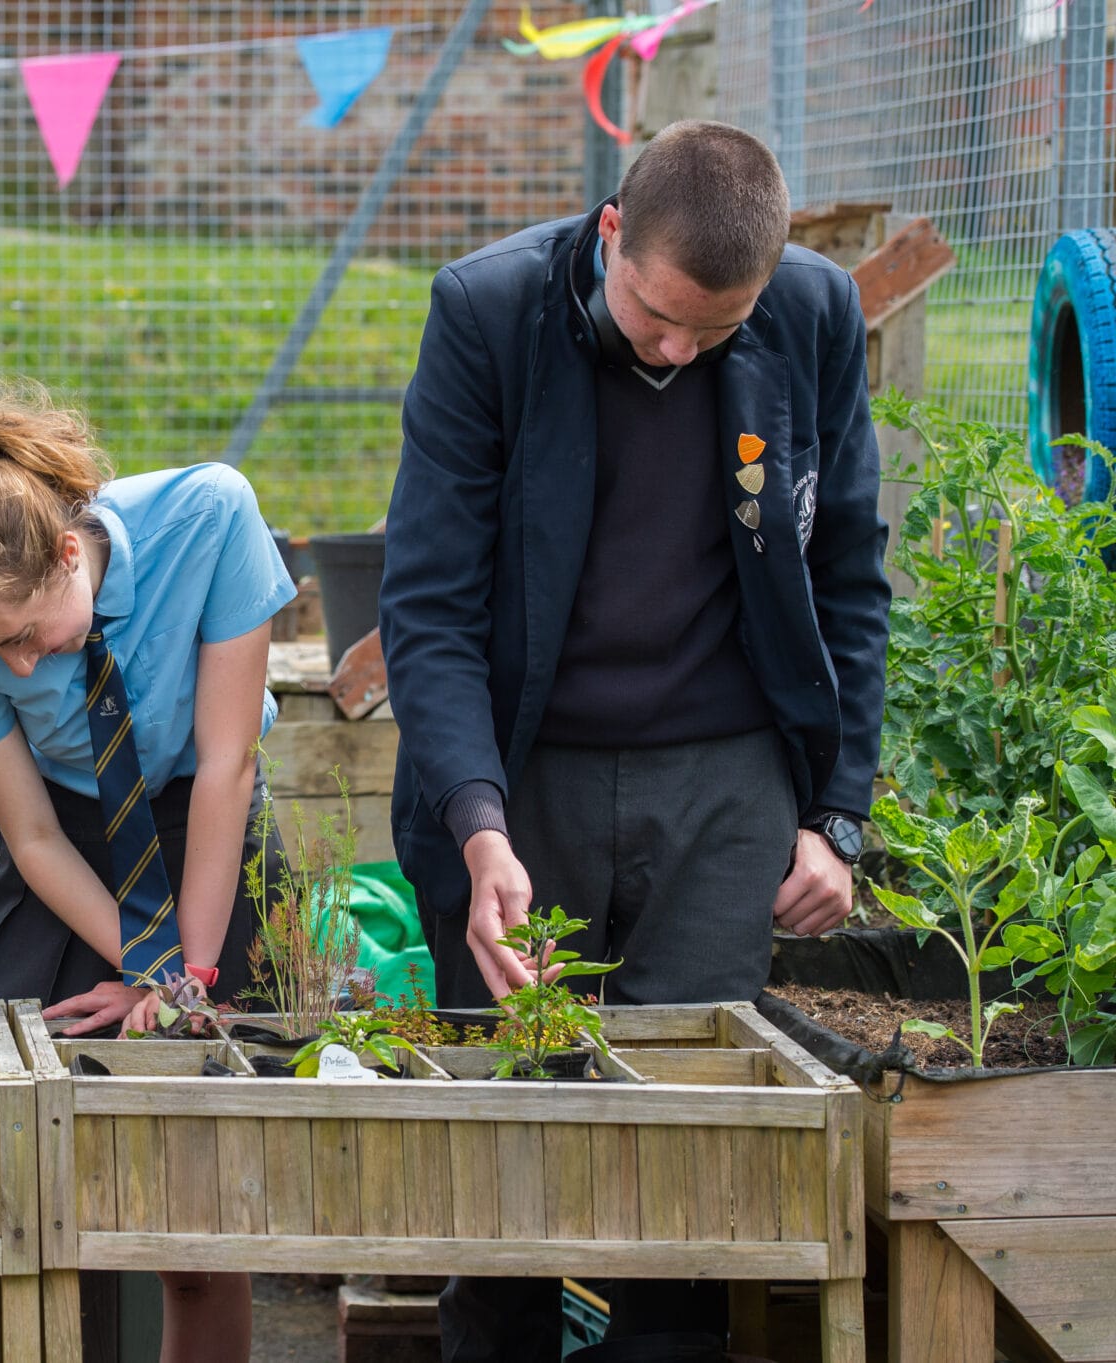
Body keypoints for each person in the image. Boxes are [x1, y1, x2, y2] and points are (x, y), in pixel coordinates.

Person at [378, 121, 890, 1361]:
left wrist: (833, 811)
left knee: (684, 1180)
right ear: (611, 231)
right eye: (657, 316)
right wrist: (476, 822)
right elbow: (429, 607)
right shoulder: (488, 313)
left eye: (714, 332)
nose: (676, 349)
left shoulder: (813, 315)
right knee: (506, 1157)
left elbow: (848, 571)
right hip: (524, 768)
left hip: (722, 784)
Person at [0, 384, 296, 1363]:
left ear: (69, 553)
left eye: (25, 635)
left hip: (205, 818)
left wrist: (181, 979)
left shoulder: (209, 515)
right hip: (63, 843)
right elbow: (30, 835)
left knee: (195, 1202)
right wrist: (142, 955)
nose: (21, 670)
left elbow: (226, 768)